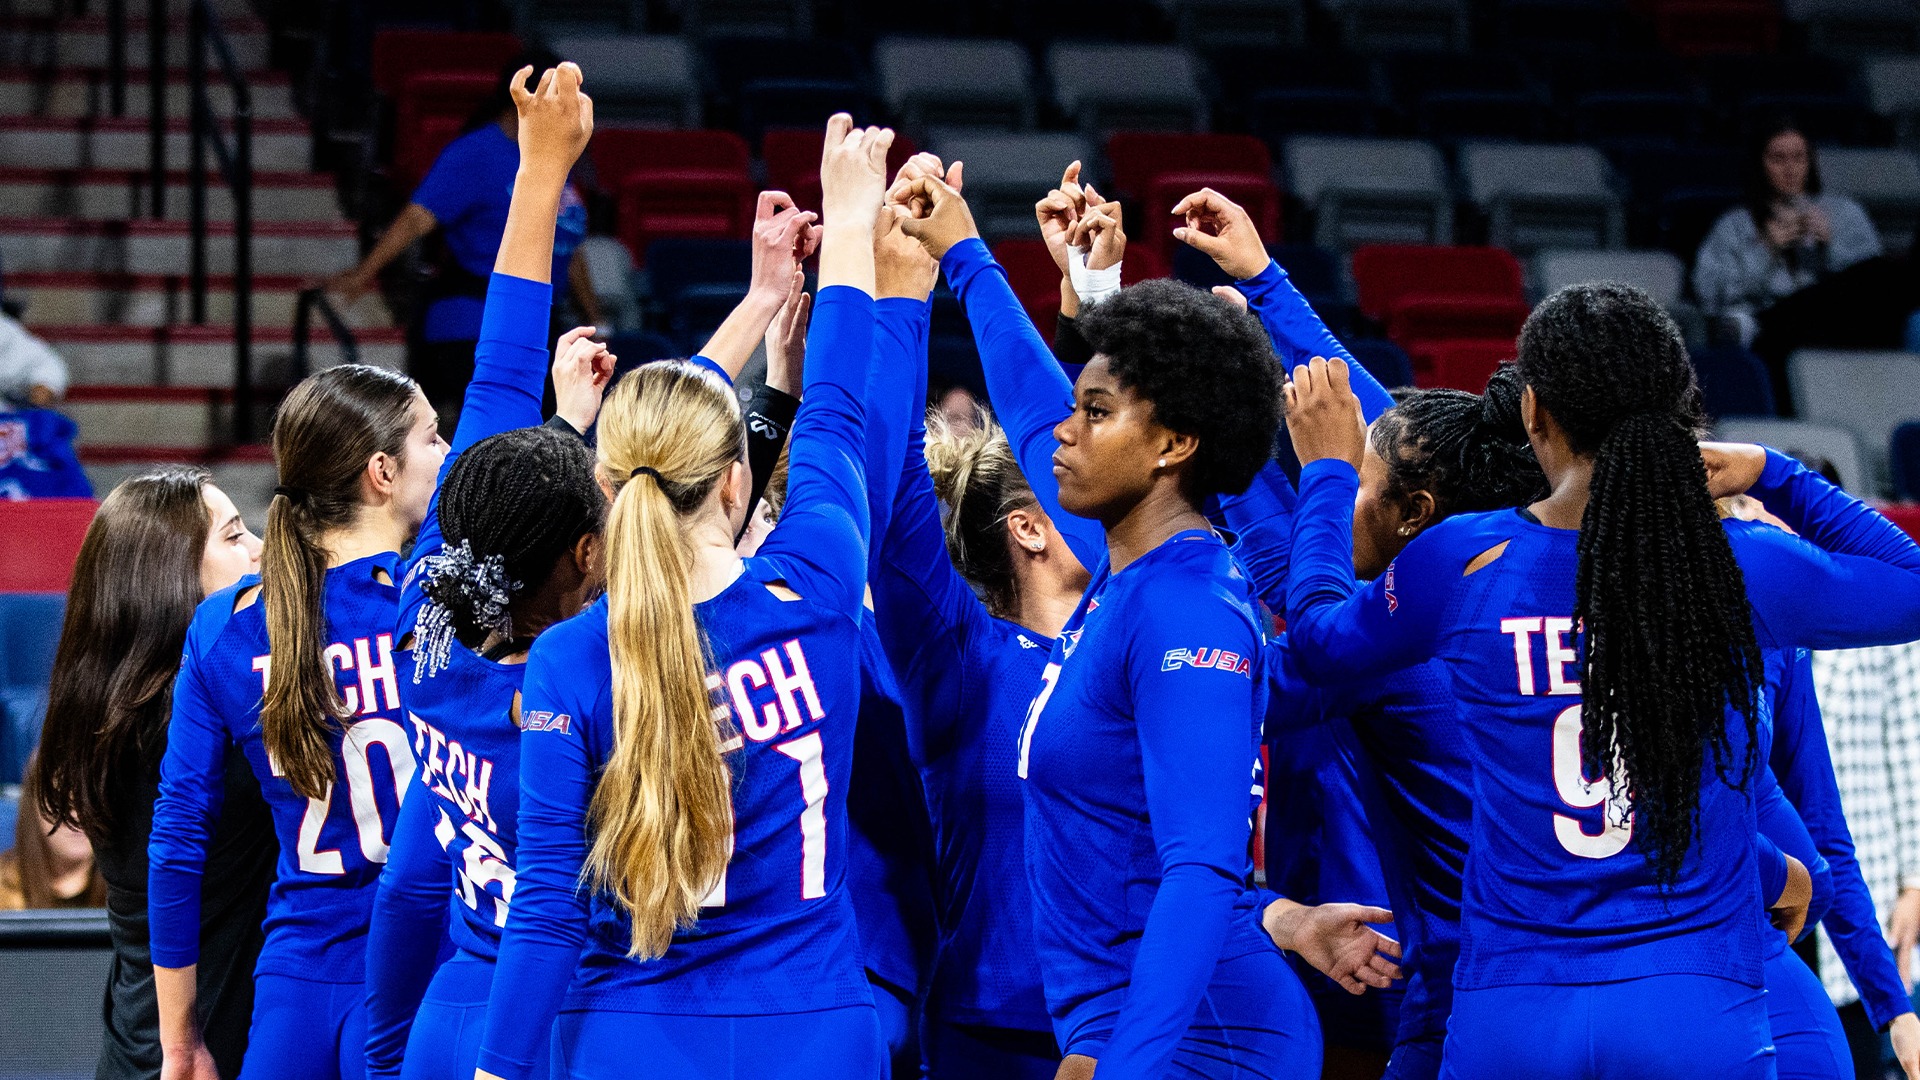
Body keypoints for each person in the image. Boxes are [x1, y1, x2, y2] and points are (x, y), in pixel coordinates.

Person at [1282, 281, 1920, 1078]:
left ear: (1533, 412)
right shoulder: (1736, 565)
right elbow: (1910, 583)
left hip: (1515, 1010)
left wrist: (1326, 474)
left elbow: (1316, 644)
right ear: (1676, 410)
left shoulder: (1463, 556)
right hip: (1691, 1006)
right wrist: (1772, 470)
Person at [472, 113, 896, 1080]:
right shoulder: (819, 580)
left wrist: (496, 1071)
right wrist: (849, 224)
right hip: (815, 1035)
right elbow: (836, 408)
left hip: (628, 1040)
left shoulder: (569, 656)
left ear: (607, 488)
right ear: (739, 484)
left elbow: (545, 906)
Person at [894, 168, 1325, 1080]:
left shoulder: (1185, 608)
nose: (1062, 432)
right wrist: (965, 254)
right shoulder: (1129, 573)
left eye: (1094, 414)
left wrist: (1125, 1063)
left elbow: (1203, 871)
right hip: (1122, 1026)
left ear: (1173, 446)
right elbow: (1029, 401)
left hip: (1201, 1040)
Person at [360, 56, 619, 1080]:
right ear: (587, 556)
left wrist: (537, 168)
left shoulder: (426, 611)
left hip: (449, 1013)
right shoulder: (600, 675)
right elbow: (505, 371)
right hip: (564, 1025)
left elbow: (502, 370)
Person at [31, 465, 272, 1078]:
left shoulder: (102, 713)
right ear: (171, 577)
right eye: (234, 535)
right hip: (207, 1051)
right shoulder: (194, 726)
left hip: (137, 1044)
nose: (260, 549)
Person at [327, 49, 601, 430]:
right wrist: (363, 274)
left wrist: (595, 316)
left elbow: (567, 245)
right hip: (476, 322)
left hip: (541, 325)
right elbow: (416, 219)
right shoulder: (476, 153)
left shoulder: (555, 158)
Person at [1693, 121, 1918, 410]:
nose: (1790, 169)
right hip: (1773, 321)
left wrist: (1831, 247)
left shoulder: (1845, 213)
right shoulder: (1734, 225)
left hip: (1842, 318)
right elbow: (1711, 295)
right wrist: (1766, 252)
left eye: (1799, 158)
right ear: (1759, 164)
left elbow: (1874, 280)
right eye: (1778, 159)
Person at [1808, 639, 1920, 1078]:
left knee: (1862, 1045)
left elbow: (1911, 750)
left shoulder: (1888, 622)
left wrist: (1914, 881)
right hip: (1774, 890)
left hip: (1863, 875)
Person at [2, 757, 106, 909]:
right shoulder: (3, 890)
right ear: (33, 809)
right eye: (61, 802)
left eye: (88, 801)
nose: (76, 816)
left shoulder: (132, 890)